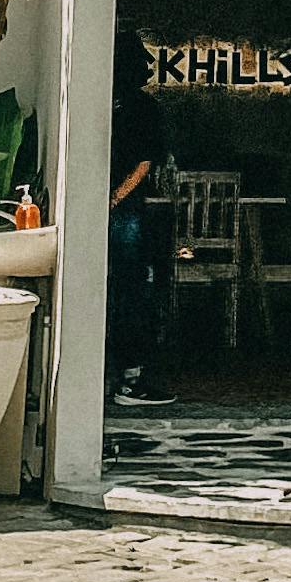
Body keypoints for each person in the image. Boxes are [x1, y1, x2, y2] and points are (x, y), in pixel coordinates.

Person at [108, 31, 174, 409]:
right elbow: (146, 163)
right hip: (126, 210)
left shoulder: (105, 102)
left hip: (107, 206)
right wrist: (116, 199)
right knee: (132, 289)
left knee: (112, 290)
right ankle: (131, 378)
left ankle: (115, 375)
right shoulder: (144, 108)